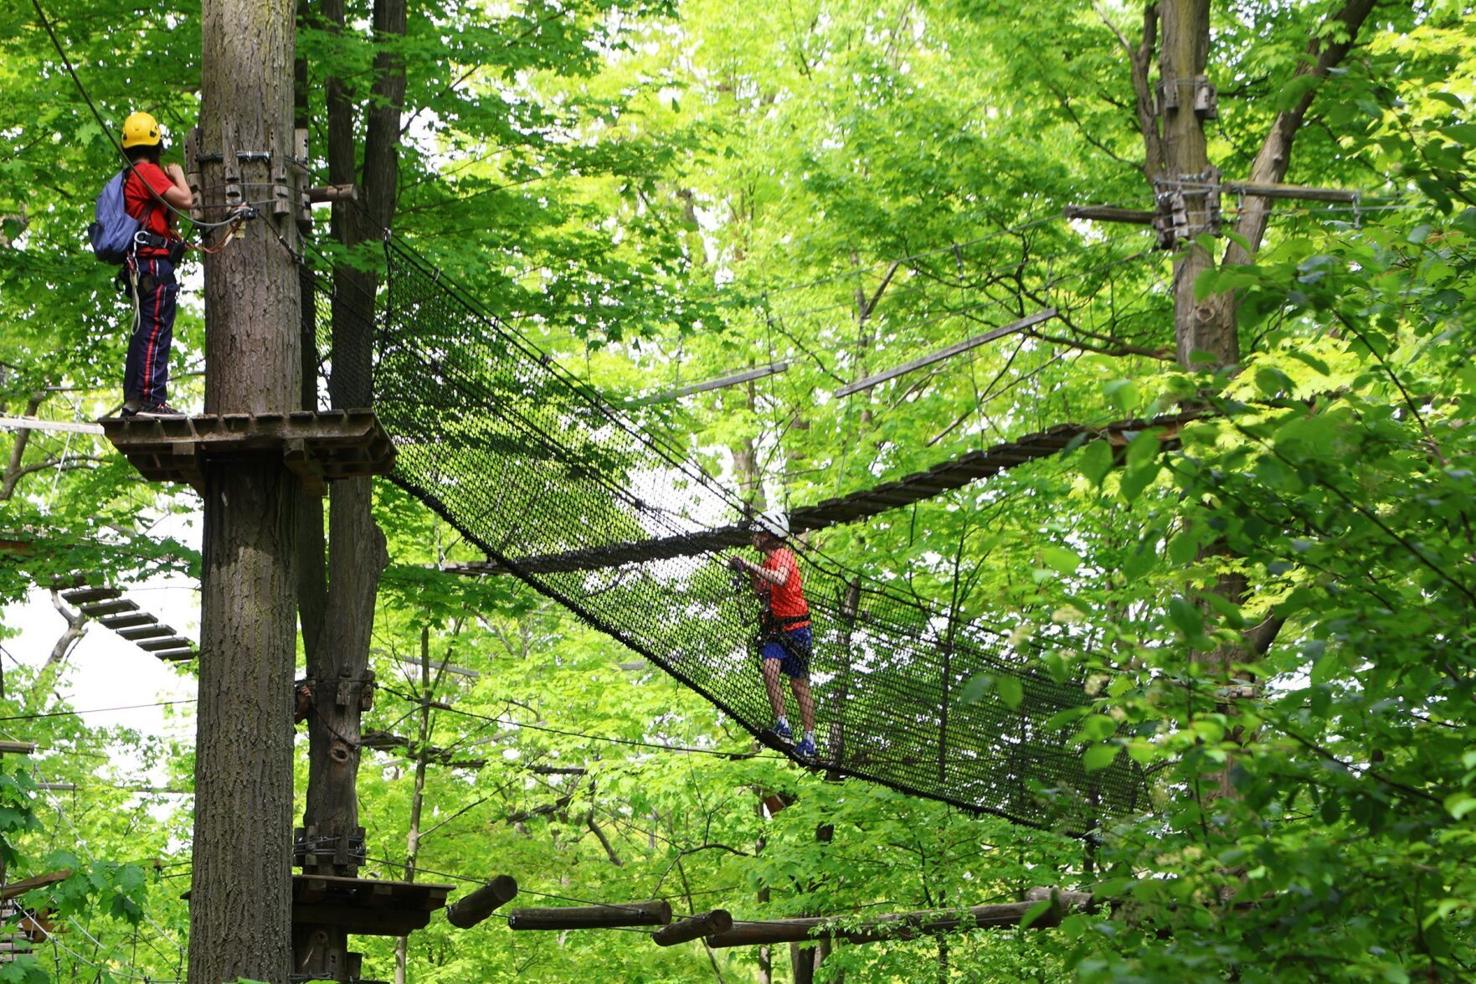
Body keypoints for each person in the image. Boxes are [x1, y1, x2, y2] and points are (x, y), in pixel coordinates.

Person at [118, 111, 192, 417]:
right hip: (153, 265)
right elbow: (186, 201)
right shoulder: (147, 173)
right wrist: (179, 175)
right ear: (155, 144)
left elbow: (171, 215)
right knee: (156, 329)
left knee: (144, 329)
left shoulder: (132, 177)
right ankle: (151, 399)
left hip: (145, 264)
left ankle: (136, 397)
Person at [728, 510, 817, 759]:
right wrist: (749, 572)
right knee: (769, 668)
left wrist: (749, 564)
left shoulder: (783, 555)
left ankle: (810, 740)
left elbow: (780, 579)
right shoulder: (768, 562)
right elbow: (762, 590)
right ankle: (783, 725)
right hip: (777, 631)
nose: (753, 537)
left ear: (768, 535)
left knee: (799, 685)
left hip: (798, 630)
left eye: (757, 533)